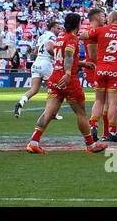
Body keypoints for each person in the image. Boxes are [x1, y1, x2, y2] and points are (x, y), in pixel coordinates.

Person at [25, 12, 108, 154]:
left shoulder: (60, 37)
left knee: (49, 112)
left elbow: (62, 57)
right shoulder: (72, 38)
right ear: (78, 24)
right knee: (81, 112)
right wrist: (69, 73)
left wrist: (82, 64)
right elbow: (68, 56)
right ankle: (90, 145)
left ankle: (33, 142)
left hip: (55, 77)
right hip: (68, 80)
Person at [84, 8, 117, 143]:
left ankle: (96, 128)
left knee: (101, 101)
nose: (105, 18)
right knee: (110, 103)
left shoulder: (99, 31)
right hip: (100, 67)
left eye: (106, 16)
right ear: (96, 17)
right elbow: (92, 55)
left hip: (99, 69)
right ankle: (110, 132)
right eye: (102, 15)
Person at [14, 17, 62, 120]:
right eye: (58, 28)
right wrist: (57, 57)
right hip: (46, 64)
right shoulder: (52, 36)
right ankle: (52, 113)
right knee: (55, 89)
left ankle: (20, 103)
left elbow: (35, 52)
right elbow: (49, 48)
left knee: (34, 90)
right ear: (53, 28)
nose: (60, 31)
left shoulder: (41, 37)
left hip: (36, 64)